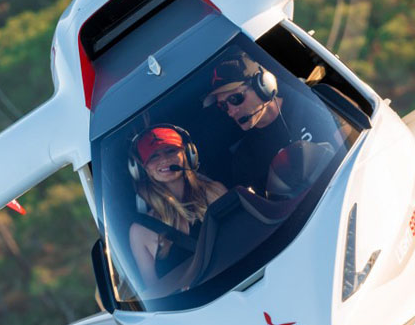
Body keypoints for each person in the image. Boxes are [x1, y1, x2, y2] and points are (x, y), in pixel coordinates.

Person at [128, 124, 226, 285]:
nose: (165, 160)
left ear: (188, 153)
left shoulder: (214, 192)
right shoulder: (140, 231)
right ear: (141, 169)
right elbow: (157, 297)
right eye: (153, 157)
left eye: (170, 151)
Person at [203, 55, 311, 197]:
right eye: (223, 105)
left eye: (235, 98)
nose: (231, 112)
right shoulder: (245, 159)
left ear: (263, 85)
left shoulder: (309, 102)